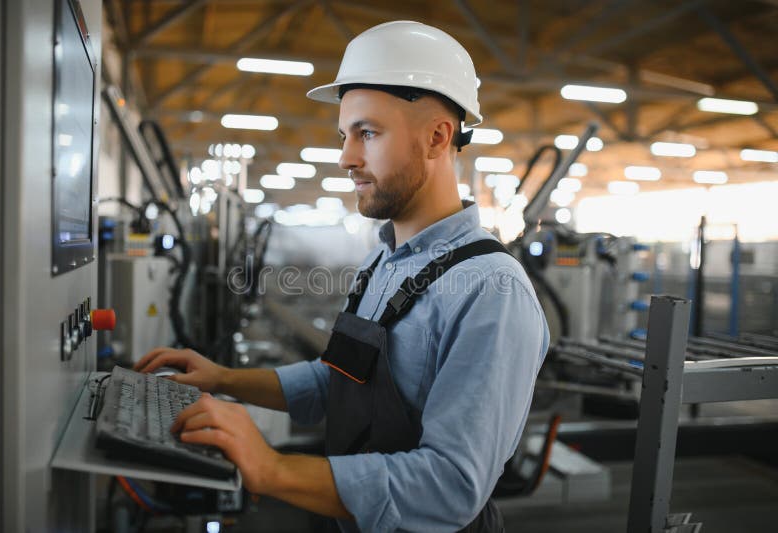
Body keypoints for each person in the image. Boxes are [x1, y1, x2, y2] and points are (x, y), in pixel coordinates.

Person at [135, 20, 549, 532]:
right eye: (344, 135)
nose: (345, 157)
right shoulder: (386, 262)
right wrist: (223, 379)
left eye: (367, 133)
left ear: (438, 137)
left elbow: (450, 486)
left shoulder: (492, 290)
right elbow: (341, 381)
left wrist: (274, 468)